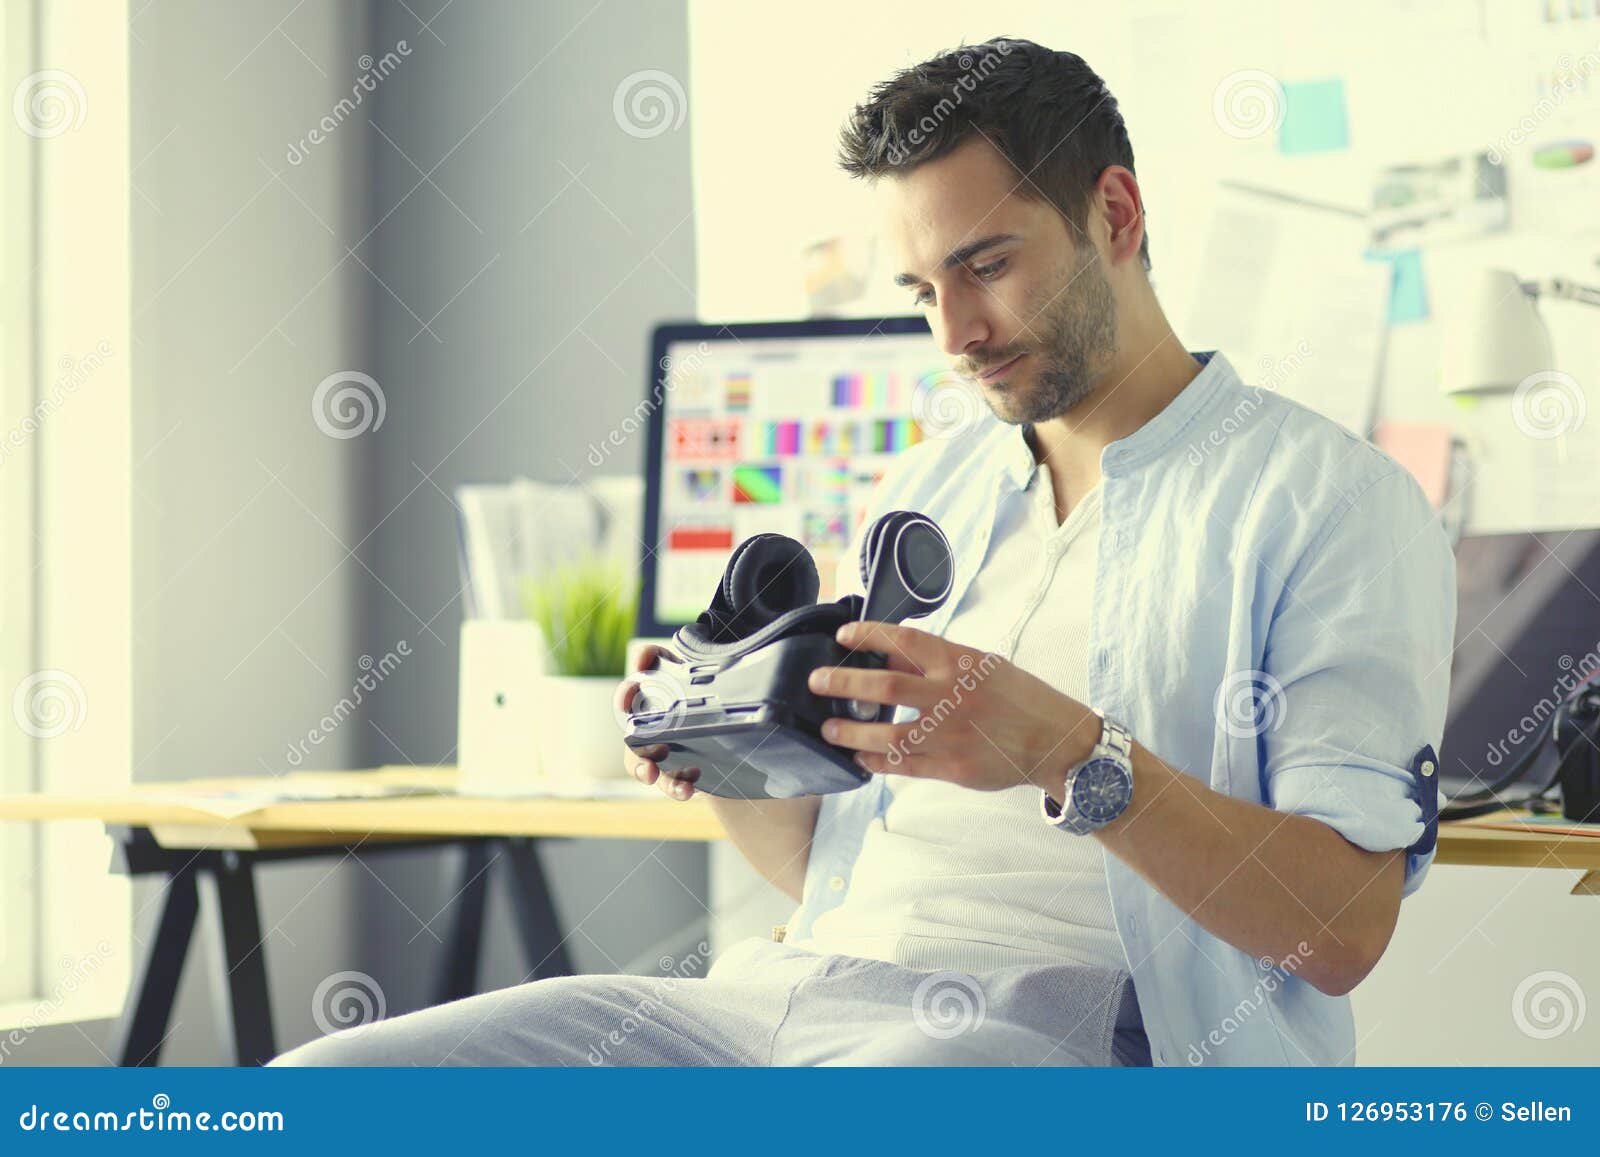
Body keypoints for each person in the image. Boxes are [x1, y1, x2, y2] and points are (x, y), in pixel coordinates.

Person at [277, 37, 1454, 1068]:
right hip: (784, 997)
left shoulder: (1327, 502)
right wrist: (722, 746)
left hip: (1073, 1031)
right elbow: (839, 871)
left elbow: (1341, 929)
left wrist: (1061, 746)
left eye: (986, 265)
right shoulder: (924, 489)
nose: (954, 332)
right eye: (921, 289)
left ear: (1115, 214)